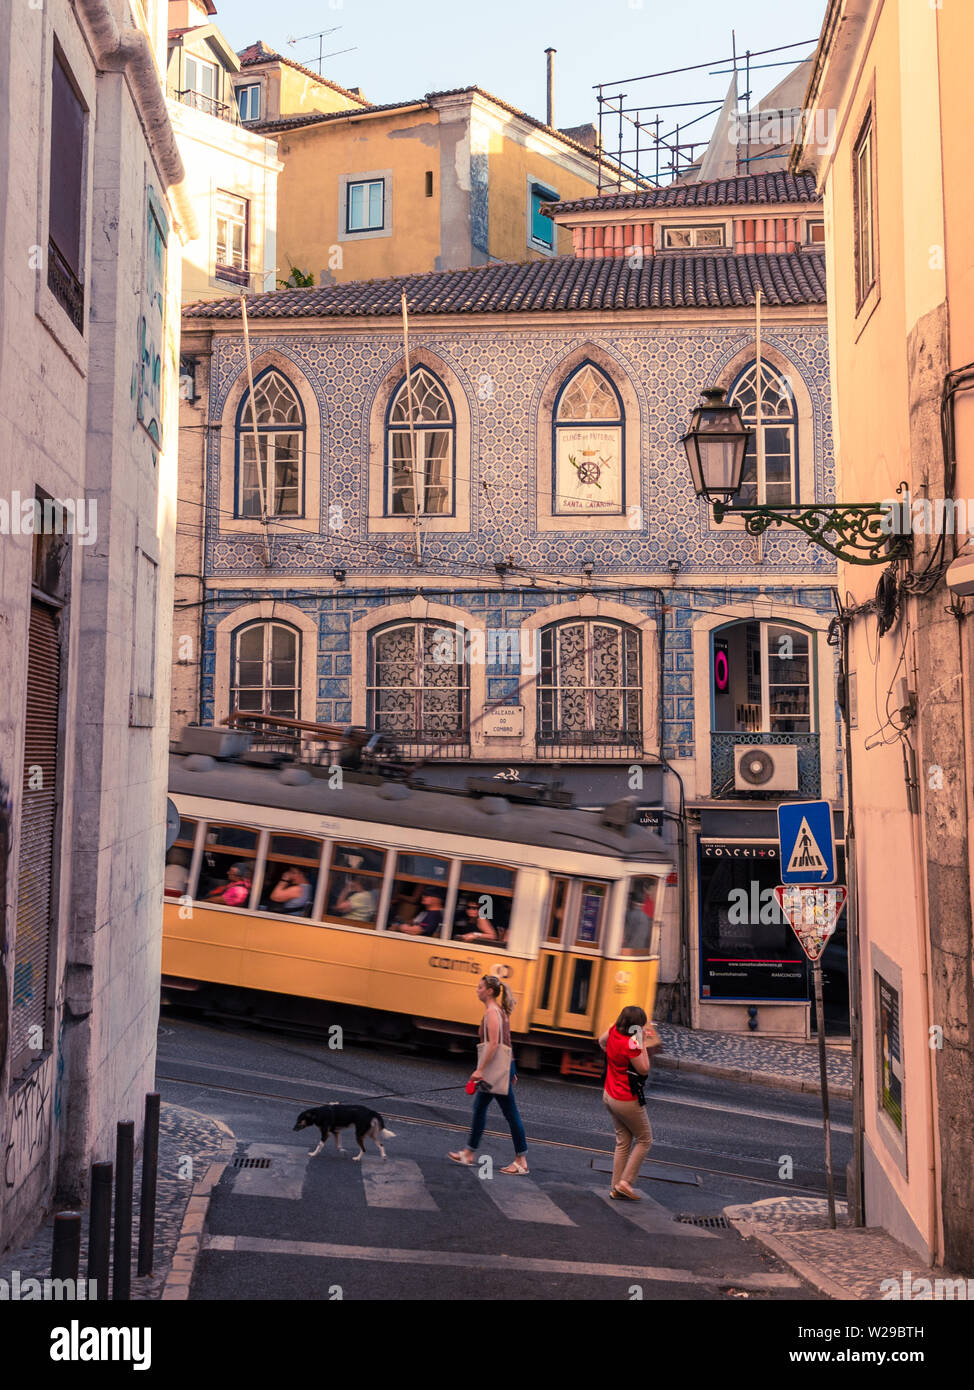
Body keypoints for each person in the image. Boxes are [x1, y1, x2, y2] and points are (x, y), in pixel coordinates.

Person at [448, 975, 528, 1175]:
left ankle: (521, 1161)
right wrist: (512, 1070)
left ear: (489, 991)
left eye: (480, 987)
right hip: (501, 1069)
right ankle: (469, 1153)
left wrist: (480, 1070)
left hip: (493, 1071)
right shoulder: (499, 1011)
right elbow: (508, 1042)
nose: (477, 990)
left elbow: (494, 1044)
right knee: (481, 1107)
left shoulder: (493, 1012)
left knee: (510, 1114)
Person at [597, 1005, 653, 1201]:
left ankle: (616, 1188)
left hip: (609, 1094)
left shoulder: (613, 1031)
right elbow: (644, 1069)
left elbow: (601, 1042)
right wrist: (643, 1042)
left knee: (623, 1140)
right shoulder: (632, 1044)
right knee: (645, 1139)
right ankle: (625, 1183)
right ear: (635, 1026)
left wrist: (615, 1060)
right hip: (626, 1099)